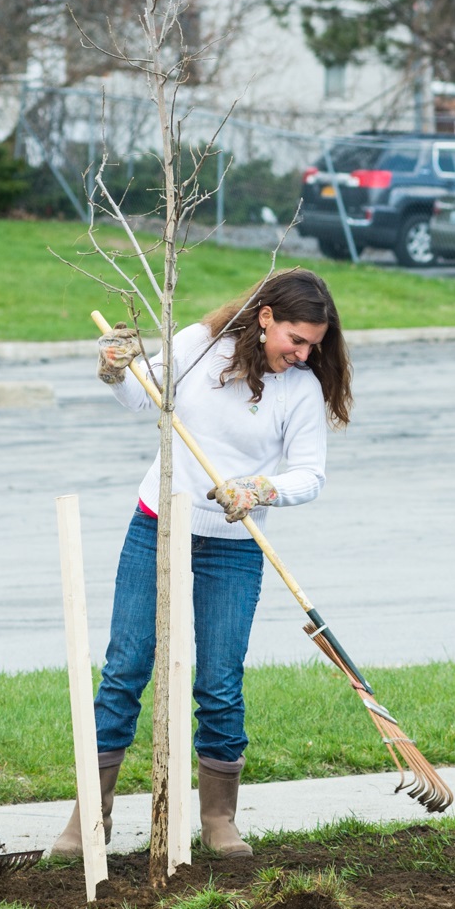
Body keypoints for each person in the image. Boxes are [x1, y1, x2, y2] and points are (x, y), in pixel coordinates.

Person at [51, 268, 352, 859]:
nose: (304, 353)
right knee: (124, 670)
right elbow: (142, 394)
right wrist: (115, 368)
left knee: (218, 681)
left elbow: (309, 474)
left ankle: (218, 817)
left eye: (313, 344)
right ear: (266, 317)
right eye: (296, 338)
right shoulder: (197, 346)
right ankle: (91, 815)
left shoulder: (301, 390)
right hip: (156, 526)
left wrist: (261, 490)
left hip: (234, 547)